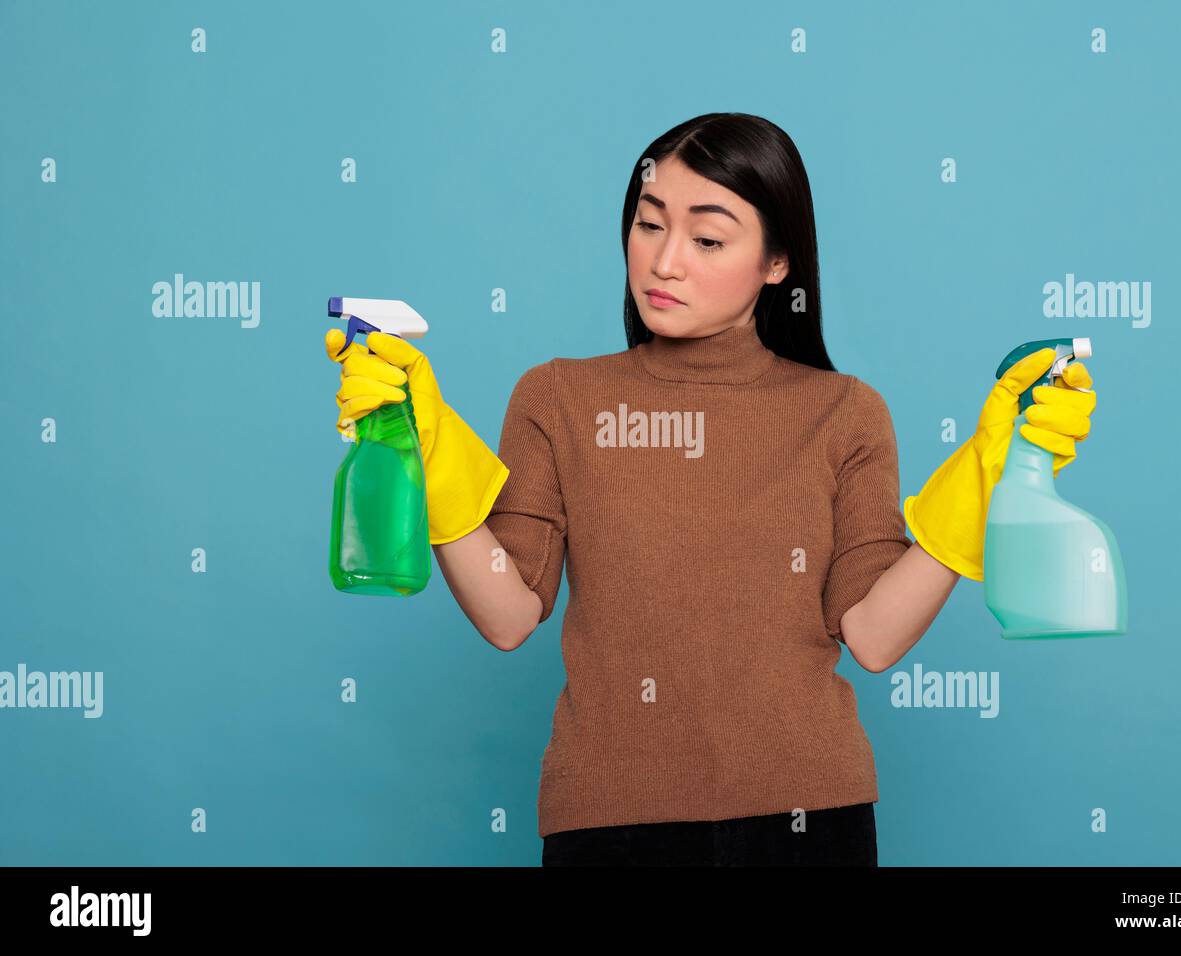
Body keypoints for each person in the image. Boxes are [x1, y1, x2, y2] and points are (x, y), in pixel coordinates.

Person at [323, 113, 1097, 867]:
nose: (664, 262)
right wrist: (426, 451)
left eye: (708, 238)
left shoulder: (844, 413)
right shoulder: (557, 397)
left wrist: (986, 476)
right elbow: (507, 614)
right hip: (609, 827)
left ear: (777, 262)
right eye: (650, 223)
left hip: (808, 823)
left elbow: (874, 636)